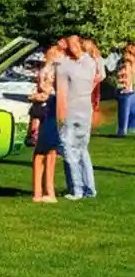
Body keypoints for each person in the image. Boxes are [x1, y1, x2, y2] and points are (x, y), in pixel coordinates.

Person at [55, 35, 101, 199]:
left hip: (75, 110)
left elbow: (60, 82)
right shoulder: (89, 61)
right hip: (81, 109)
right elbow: (100, 73)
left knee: (70, 148)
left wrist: (60, 51)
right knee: (80, 150)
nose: (72, 47)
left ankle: (77, 189)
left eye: (74, 44)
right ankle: (89, 189)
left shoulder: (72, 65)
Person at [31, 46, 63, 202]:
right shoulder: (50, 70)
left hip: (51, 110)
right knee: (46, 152)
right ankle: (46, 192)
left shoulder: (52, 70)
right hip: (49, 111)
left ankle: (42, 191)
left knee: (46, 153)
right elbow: (44, 90)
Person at [117, 44, 135, 136]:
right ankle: (122, 131)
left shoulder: (130, 64)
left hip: (130, 91)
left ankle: (126, 130)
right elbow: (122, 77)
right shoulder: (123, 64)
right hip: (125, 91)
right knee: (124, 113)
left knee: (130, 112)